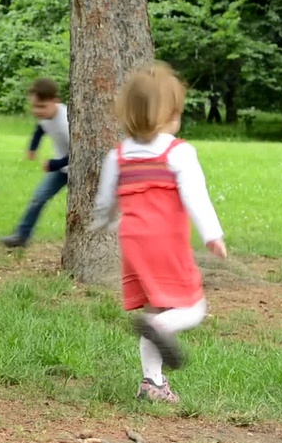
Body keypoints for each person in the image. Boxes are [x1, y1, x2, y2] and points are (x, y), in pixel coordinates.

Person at [91, 61, 227, 403]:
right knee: (193, 309)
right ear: (169, 114)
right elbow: (196, 198)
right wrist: (213, 234)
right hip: (165, 242)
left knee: (154, 308)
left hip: (133, 242)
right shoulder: (178, 152)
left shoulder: (117, 155)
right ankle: (161, 331)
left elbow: (106, 202)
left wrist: (103, 222)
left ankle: (152, 383)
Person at [0, 78, 69, 248]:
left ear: (55, 101)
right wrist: (33, 148)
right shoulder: (45, 116)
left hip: (79, 170)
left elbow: (81, 153)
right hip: (62, 170)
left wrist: (55, 164)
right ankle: (21, 236)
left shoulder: (67, 121)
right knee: (38, 198)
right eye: (34, 106)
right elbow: (40, 130)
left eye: (41, 106)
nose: (37, 111)